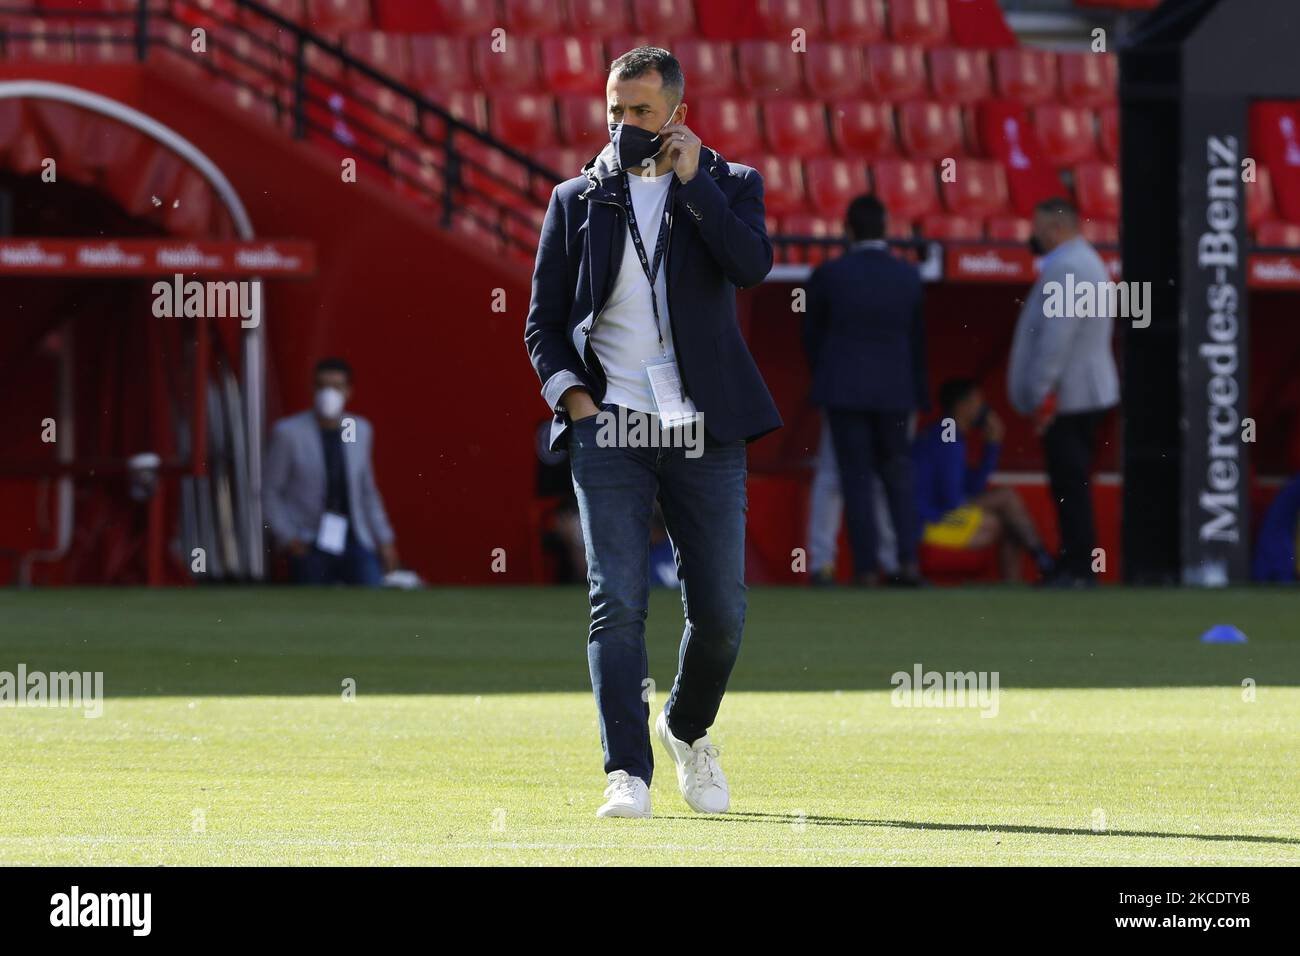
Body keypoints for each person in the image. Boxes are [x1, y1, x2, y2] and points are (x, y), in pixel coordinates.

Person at [524, 47, 781, 819]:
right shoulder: (577, 198)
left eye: (639, 111)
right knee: (617, 601)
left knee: (722, 614)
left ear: (676, 112)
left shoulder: (730, 186)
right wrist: (574, 402)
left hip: (703, 429)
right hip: (610, 428)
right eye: (613, 111)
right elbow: (542, 324)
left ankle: (686, 728)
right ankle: (625, 771)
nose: (624, 125)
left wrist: (695, 182)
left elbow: (752, 266)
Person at [804, 194, 928, 586]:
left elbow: (812, 339)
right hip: (896, 393)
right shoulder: (908, 276)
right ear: (885, 228)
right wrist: (918, 395)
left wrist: (828, 379)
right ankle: (907, 564)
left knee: (852, 478)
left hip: (844, 390)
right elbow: (917, 342)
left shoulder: (829, 275)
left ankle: (866, 569)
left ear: (848, 230)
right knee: (897, 476)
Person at [1008, 199, 1120, 586]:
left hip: (1071, 397)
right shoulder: (1085, 262)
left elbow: (1056, 339)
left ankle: (1077, 568)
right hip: (1082, 393)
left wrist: (1042, 394)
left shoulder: (1069, 268)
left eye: (1038, 228)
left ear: (1055, 228)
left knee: (1069, 484)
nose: (1033, 235)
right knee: (1071, 483)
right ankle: (1073, 563)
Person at [263, 358, 398, 586]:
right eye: (322, 386)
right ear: (313, 389)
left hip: (354, 539)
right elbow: (270, 491)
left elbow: (367, 491)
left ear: (349, 391)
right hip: (310, 540)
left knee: (372, 590)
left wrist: (385, 540)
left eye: (336, 386)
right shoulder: (289, 433)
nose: (329, 393)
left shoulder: (359, 429)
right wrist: (289, 538)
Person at [913, 379, 1055, 582]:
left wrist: (992, 446)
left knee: (1010, 518)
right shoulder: (948, 435)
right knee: (1006, 501)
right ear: (963, 406)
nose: (984, 409)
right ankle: (1044, 562)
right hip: (928, 522)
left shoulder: (948, 430)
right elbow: (952, 499)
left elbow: (970, 486)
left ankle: (1018, 583)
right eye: (978, 402)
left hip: (939, 512)